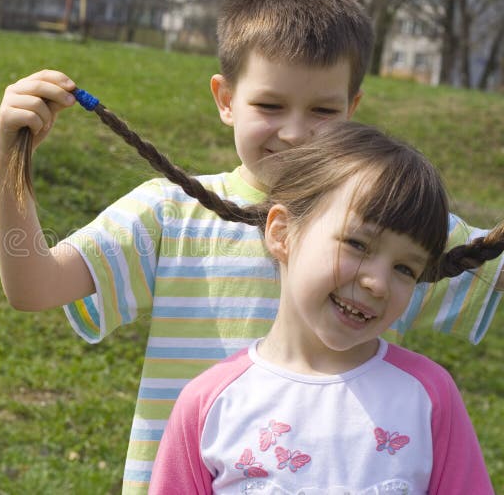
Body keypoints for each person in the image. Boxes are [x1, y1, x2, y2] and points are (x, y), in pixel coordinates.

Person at [0, 0, 504, 491]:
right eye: (270, 105)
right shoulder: (171, 214)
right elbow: (33, 286)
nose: (296, 132)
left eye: (324, 110)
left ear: (353, 108)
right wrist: (10, 159)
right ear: (226, 99)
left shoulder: (388, 228)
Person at [147, 121, 501, 494]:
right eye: (357, 244)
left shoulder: (429, 396)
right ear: (282, 233)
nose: (378, 283)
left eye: (404, 269)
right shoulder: (209, 403)